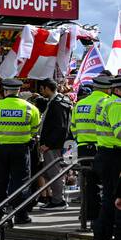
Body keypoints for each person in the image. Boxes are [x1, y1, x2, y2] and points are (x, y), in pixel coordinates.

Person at [0, 78, 40, 225]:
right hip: (21, 150)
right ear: (19, 91)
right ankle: (20, 214)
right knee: (20, 182)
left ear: (5, 91)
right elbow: (35, 130)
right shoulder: (30, 108)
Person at [91, 74, 121, 240]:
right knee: (116, 202)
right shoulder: (118, 105)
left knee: (109, 200)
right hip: (115, 156)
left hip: (106, 154)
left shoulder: (107, 102)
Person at [70, 78, 106, 231]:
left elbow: (73, 128)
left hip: (84, 149)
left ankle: (91, 218)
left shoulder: (80, 104)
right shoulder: (106, 102)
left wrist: (82, 140)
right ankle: (103, 220)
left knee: (89, 185)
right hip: (102, 148)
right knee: (108, 185)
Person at [35, 79, 72, 209]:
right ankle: (55, 199)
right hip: (55, 144)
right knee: (50, 172)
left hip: (53, 145)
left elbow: (60, 127)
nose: (40, 92)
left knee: (54, 172)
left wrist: (49, 144)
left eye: (41, 89)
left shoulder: (57, 104)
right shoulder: (58, 101)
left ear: (47, 88)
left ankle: (58, 201)